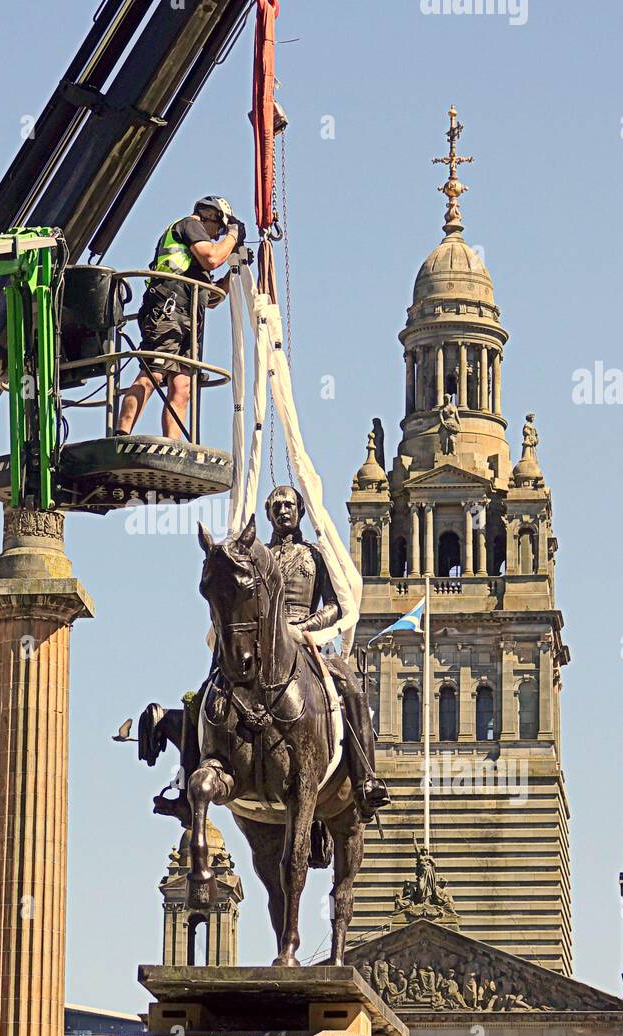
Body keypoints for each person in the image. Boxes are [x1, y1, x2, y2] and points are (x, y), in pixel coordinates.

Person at [263, 485, 390, 820]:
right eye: (276, 506)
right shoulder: (258, 555)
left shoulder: (316, 554)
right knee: (217, 684)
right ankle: (191, 773)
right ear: (267, 513)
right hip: (263, 640)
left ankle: (366, 781)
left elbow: (335, 604)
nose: (283, 511)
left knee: (353, 691)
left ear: (301, 510)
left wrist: (306, 627)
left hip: (307, 637)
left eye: (289, 505)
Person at [115, 196, 243, 438]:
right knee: (153, 372)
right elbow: (213, 258)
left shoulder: (197, 258)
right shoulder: (190, 225)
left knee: (182, 385)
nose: (216, 237)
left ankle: (172, 446)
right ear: (211, 215)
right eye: (219, 229)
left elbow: (212, 299)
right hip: (167, 309)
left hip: (189, 317)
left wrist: (233, 271)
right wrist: (233, 236)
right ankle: (122, 433)